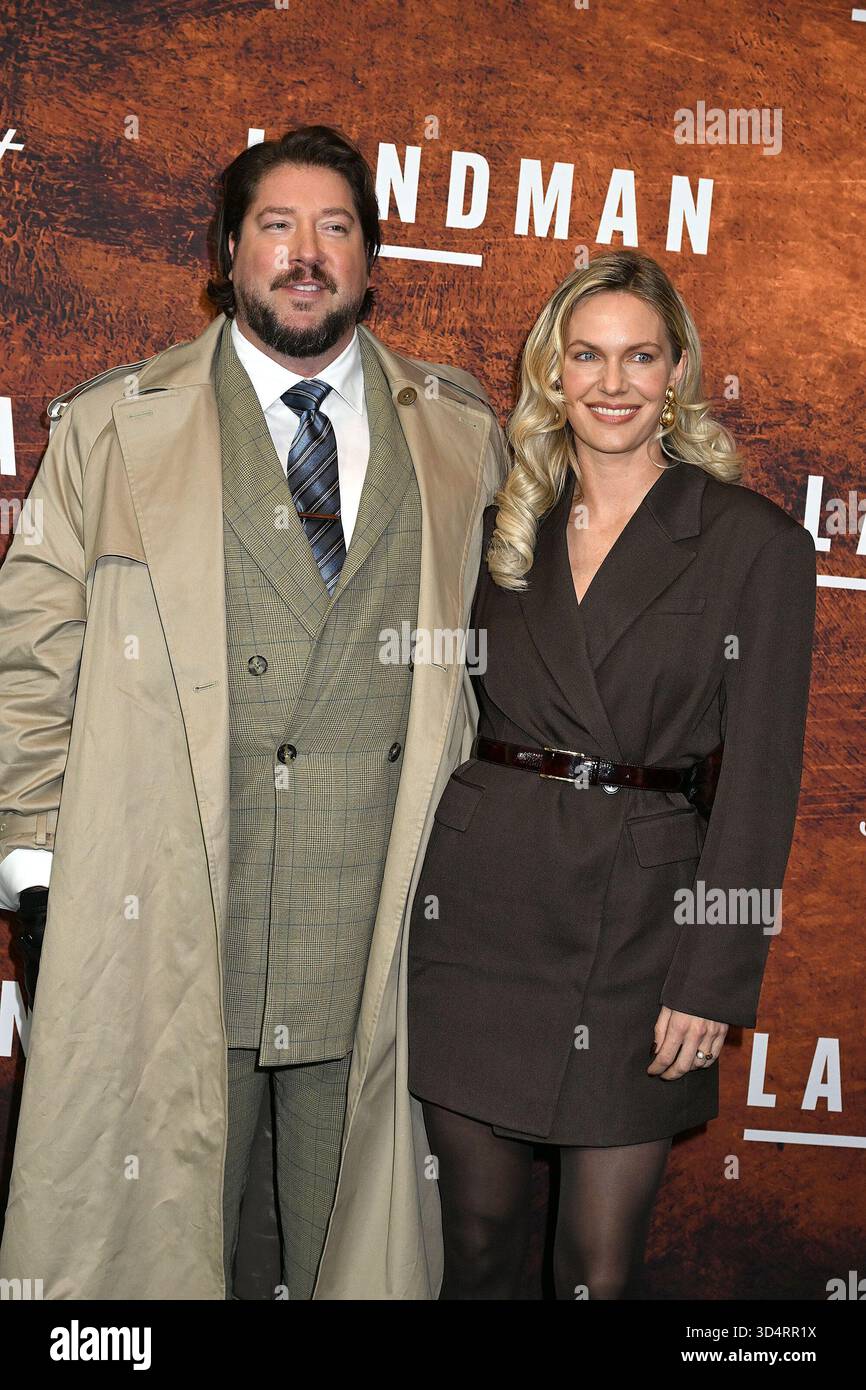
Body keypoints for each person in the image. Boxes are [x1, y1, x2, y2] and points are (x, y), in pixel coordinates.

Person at [0, 124, 507, 1299]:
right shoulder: (114, 427)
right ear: (227, 255)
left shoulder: (460, 432)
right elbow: (31, 654)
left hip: (375, 930)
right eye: (275, 226)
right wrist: (36, 866)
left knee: (359, 1251)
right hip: (171, 913)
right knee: (152, 1252)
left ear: (372, 262)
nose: (304, 253)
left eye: (335, 228)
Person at [406, 249, 817, 1300]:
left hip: (641, 928)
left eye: (639, 356)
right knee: (479, 1242)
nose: (612, 382)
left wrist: (712, 976)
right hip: (483, 914)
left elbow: (760, 779)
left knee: (594, 1268)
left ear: (677, 371)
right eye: (584, 356)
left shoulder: (749, 543)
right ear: (551, 373)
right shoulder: (504, 522)